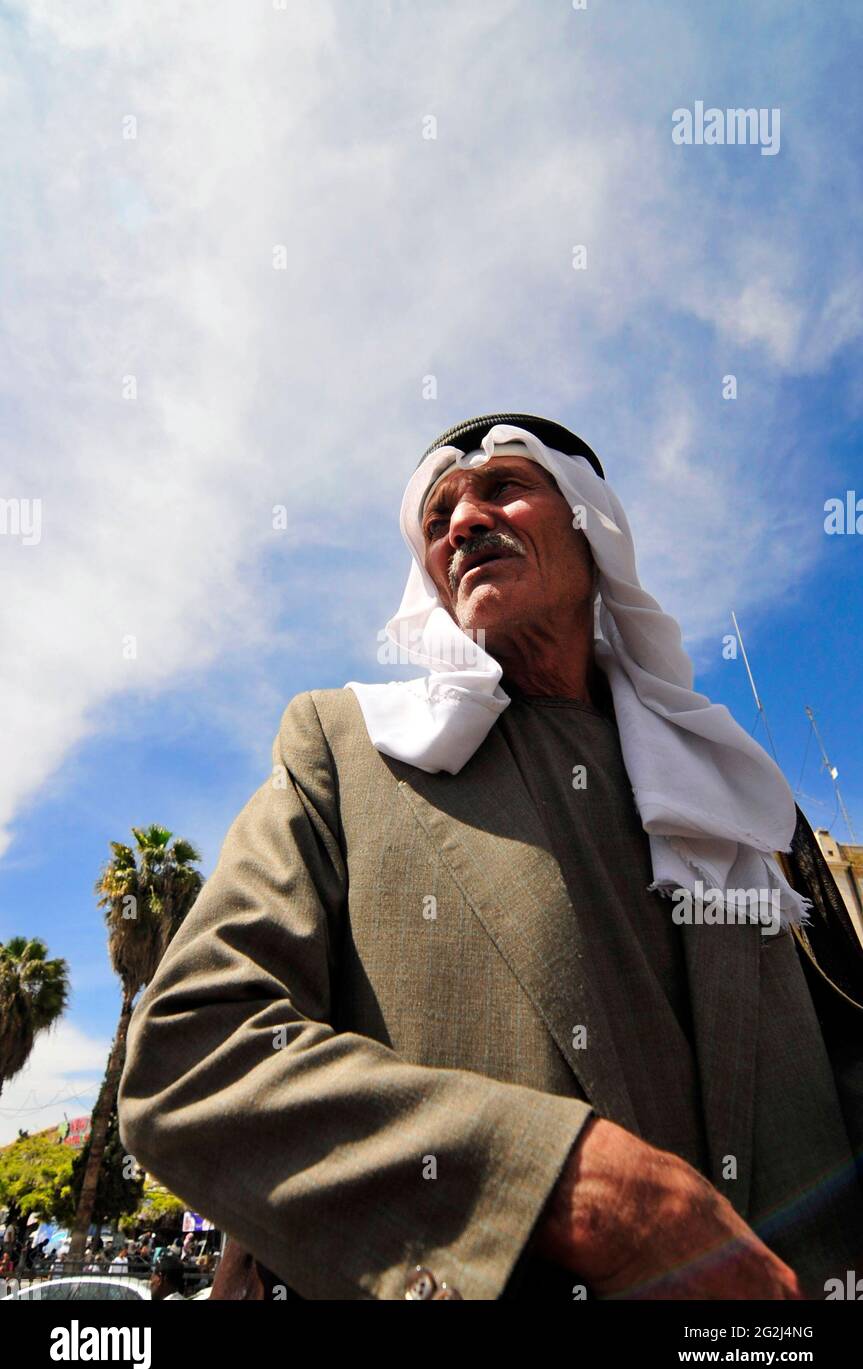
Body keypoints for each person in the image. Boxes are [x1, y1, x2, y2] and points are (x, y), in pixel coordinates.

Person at [118, 413, 863, 1301]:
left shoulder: (738, 791)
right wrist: (553, 1182)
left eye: (505, 487)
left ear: (594, 528)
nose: (463, 523)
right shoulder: (349, 752)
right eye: (436, 518)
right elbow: (189, 1053)